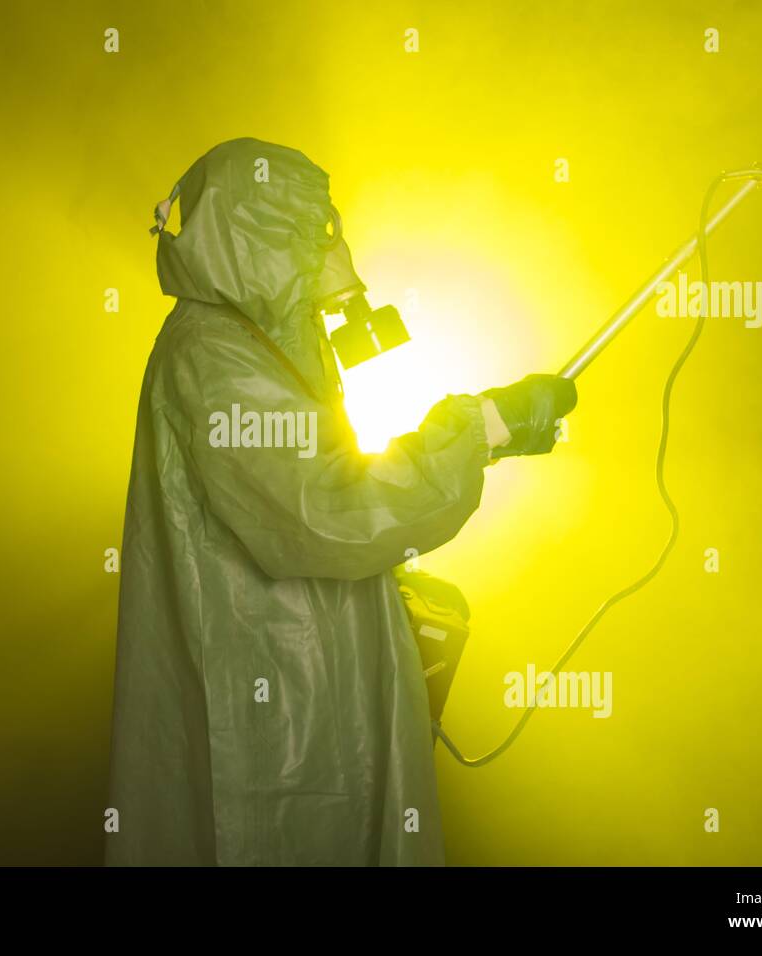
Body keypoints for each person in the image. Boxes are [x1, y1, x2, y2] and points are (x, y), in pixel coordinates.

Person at [106, 138, 577, 865]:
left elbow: (325, 485)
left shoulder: (268, 346)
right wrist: (478, 427)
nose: (327, 252)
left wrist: (489, 437)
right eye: (307, 231)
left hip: (318, 696)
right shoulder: (213, 356)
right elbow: (320, 509)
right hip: (267, 724)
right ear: (256, 233)